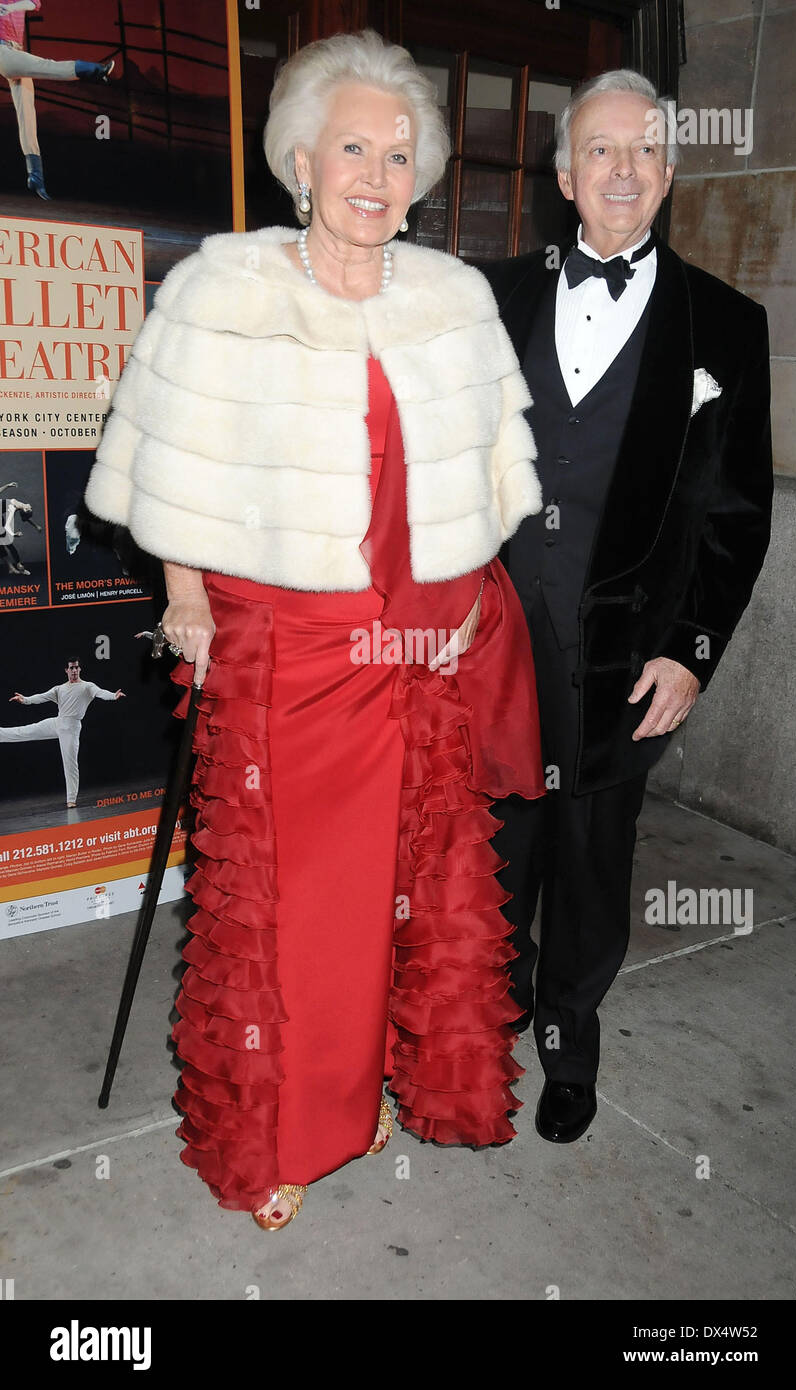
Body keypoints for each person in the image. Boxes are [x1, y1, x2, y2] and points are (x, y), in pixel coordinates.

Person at [84, 29, 545, 1232]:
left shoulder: (453, 298)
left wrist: (462, 606)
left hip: (419, 656)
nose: (376, 176)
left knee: (407, 893)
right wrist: (185, 594)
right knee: (298, 913)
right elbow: (159, 464)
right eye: (353, 147)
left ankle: (367, 1095)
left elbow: (489, 481)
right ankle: (286, 1131)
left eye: (399, 155)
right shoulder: (226, 289)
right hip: (286, 657)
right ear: (299, 156)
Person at [481, 69, 773, 1146]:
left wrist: (691, 652)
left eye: (645, 151)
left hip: (624, 661)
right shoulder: (492, 295)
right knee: (491, 851)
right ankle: (481, 1019)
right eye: (600, 149)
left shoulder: (727, 329)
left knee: (593, 856)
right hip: (494, 641)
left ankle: (568, 1035)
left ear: (668, 175)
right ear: (565, 174)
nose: (622, 169)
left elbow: (737, 516)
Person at [0, 0, 115, 199]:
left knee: (27, 115)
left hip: (15, 54)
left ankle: (35, 176)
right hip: (2, 53)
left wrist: (11, 7)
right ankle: (94, 70)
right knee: (47, 66)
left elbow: (34, 3)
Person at [0, 658, 125, 806]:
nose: (74, 671)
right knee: (26, 731)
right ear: (66, 670)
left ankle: (71, 800)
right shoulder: (59, 689)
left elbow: (100, 692)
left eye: (76, 668)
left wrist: (112, 696)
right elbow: (41, 697)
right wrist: (25, 700)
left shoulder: (87, 687)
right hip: (58, 722)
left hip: (71, 729)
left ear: (79, 669)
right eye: (71, 668)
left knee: (70, 764)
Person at [0, 479, 43, 574]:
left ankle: (16, 566)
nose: (30, 507)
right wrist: (8, 485)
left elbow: (22, 519)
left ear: (25, 509)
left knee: (6, 543)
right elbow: (24, 518)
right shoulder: (20, 506)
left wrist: (35, 526)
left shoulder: (14, 508)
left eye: (28, 509)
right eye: (30, 508)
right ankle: (15, 566)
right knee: (5, 543)